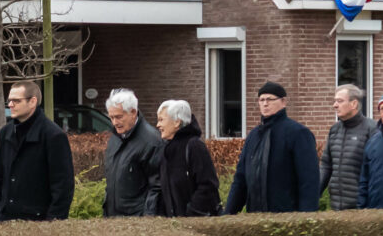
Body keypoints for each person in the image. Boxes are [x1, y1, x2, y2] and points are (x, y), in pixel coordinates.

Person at [223, 81, 319, 214]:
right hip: (255, 216)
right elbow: (241, 180)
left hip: (287, 217)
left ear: (283, 102)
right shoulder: (253, 136)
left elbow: (309, 180)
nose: (265, 104)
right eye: (261, 100)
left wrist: (306, 219)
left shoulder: (298, 133)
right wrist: (227, 215)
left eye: (270, 99)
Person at [0, 81, 75, 223]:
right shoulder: (4, 133)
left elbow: (63, 186)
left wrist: (53, 224)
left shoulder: (53, 136)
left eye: (16, 101)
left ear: (32, 101)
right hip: (3, 220)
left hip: (37, 222)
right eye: (9, 100)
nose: (10, 105)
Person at [101, 90, 163, 218]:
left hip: (137, 220)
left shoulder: (151, 142)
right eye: (111, 117)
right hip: (112, 217)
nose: (114, 123)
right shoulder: (115, 138)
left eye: (119, 117)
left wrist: (148, 218)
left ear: (133, 113)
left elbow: (157, 186)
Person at [155, 100, 221, 217]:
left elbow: (208, 185)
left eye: (161, 120)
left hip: (195, 224)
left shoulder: (195, 147)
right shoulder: (166, 149)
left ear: (177, 122)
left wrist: (190, 214)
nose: (157, 125)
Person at [319, 84, 371, 212]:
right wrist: (314, 194)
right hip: (337, 207)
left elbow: (375, 170)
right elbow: (326, 165)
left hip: (362, 208)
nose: (334, 105)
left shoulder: (371, 129)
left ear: (354, 104)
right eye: (335, 101)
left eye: (340, 101)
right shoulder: (334, 130)